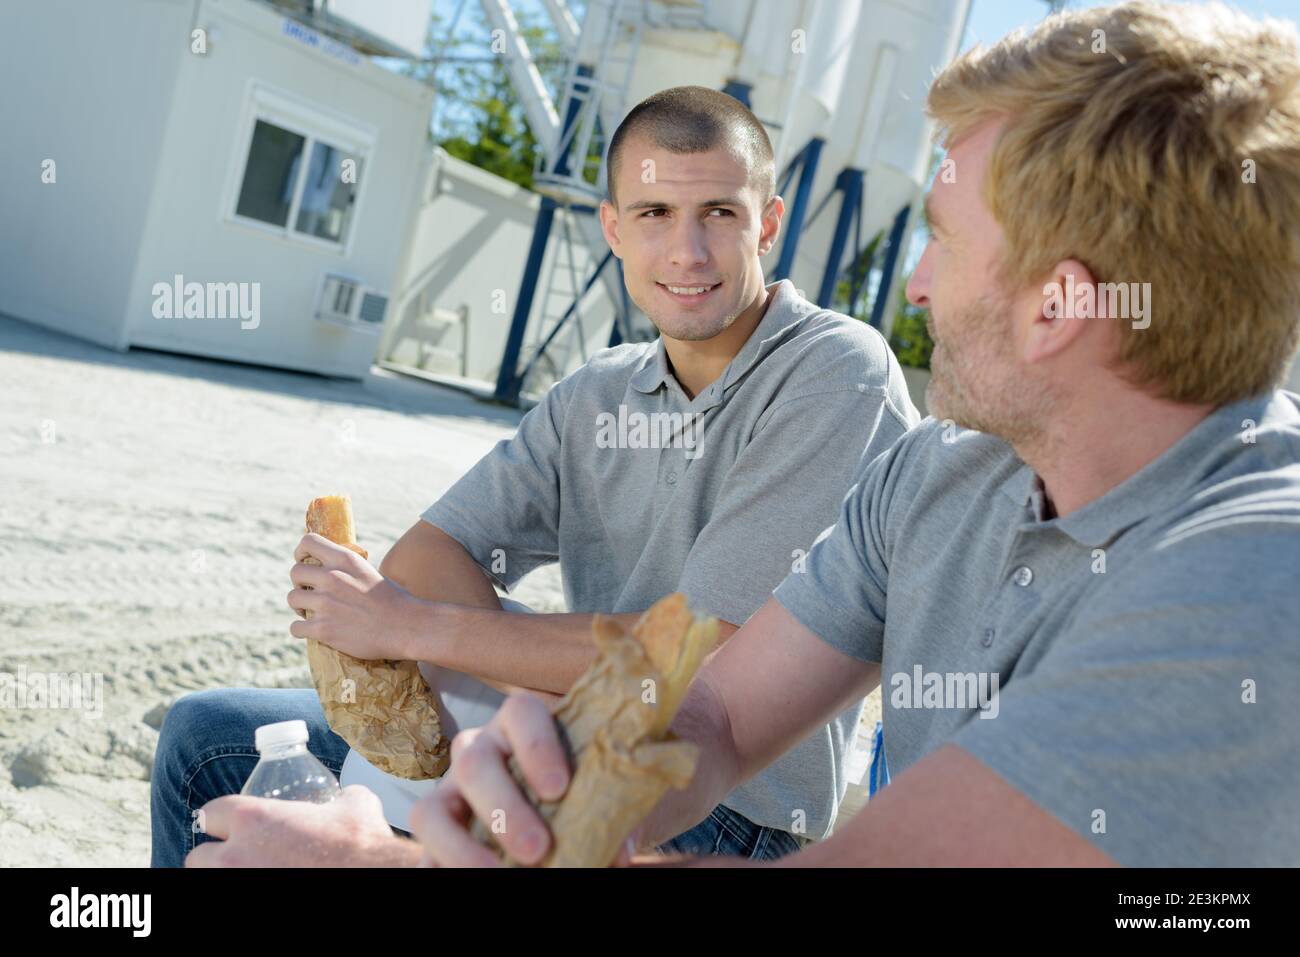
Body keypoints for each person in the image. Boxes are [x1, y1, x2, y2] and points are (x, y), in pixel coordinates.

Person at [406, 0, 1300, 868]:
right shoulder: (939, 471)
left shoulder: (1261, 571)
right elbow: (718, 714)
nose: (914, 285)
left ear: (1058, 305)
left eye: (941, 243)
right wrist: (573, 792)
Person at [159, 85, 919, 867]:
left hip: (720, 807)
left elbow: (706, 661)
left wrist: (411, 627)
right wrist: (548, 699)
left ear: (767, 223)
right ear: (614, 229)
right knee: (204, 738)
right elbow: (424, 558)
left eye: (719, 214)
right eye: (655, 214)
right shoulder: (597, 391)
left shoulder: (835, 372)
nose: (688, 253)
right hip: (560, 744)